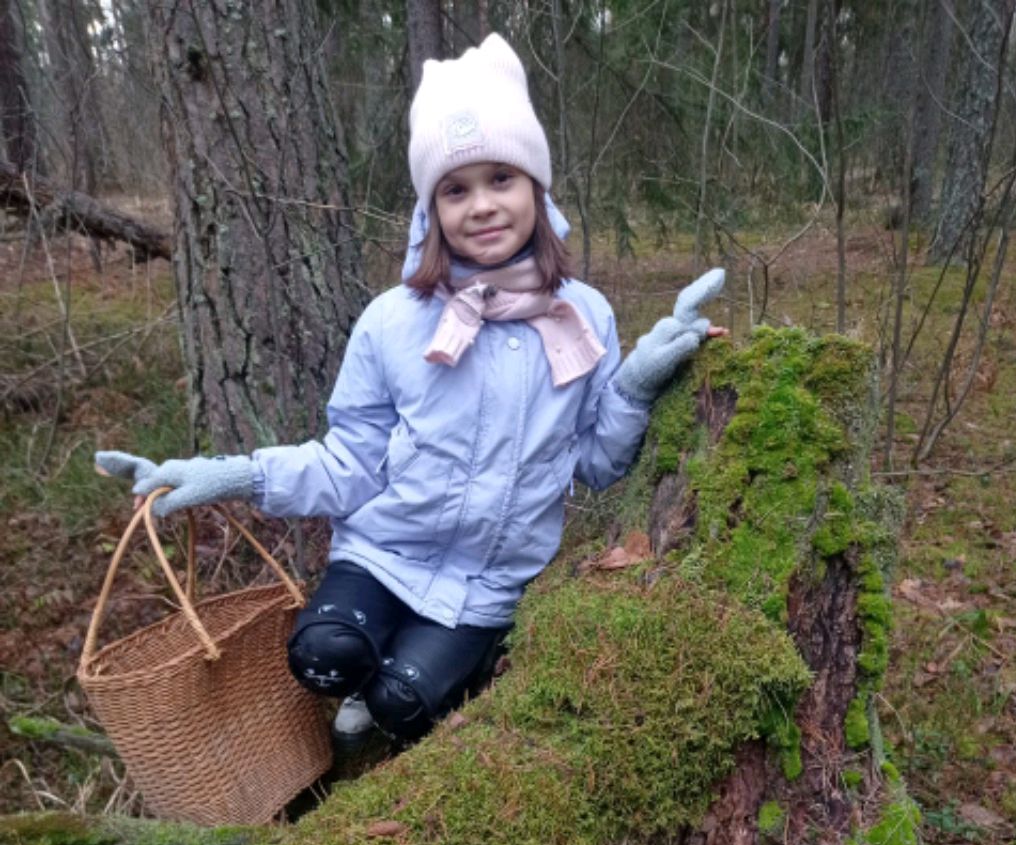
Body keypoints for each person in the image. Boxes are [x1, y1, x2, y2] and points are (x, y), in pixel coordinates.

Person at [96, 34, 726, 746]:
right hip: (382, 558)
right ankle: (366, 671)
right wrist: (232, 476)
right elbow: (349, 462)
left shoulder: (584, 316)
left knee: (399, 704)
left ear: (536, 188)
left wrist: (637, 380)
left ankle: (414, 679)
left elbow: (599, 462)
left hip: (489, 587)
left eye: (501, 178)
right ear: (431, 210)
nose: (482, 206)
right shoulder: (393, 321)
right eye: (456, 189)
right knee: (323, 655)